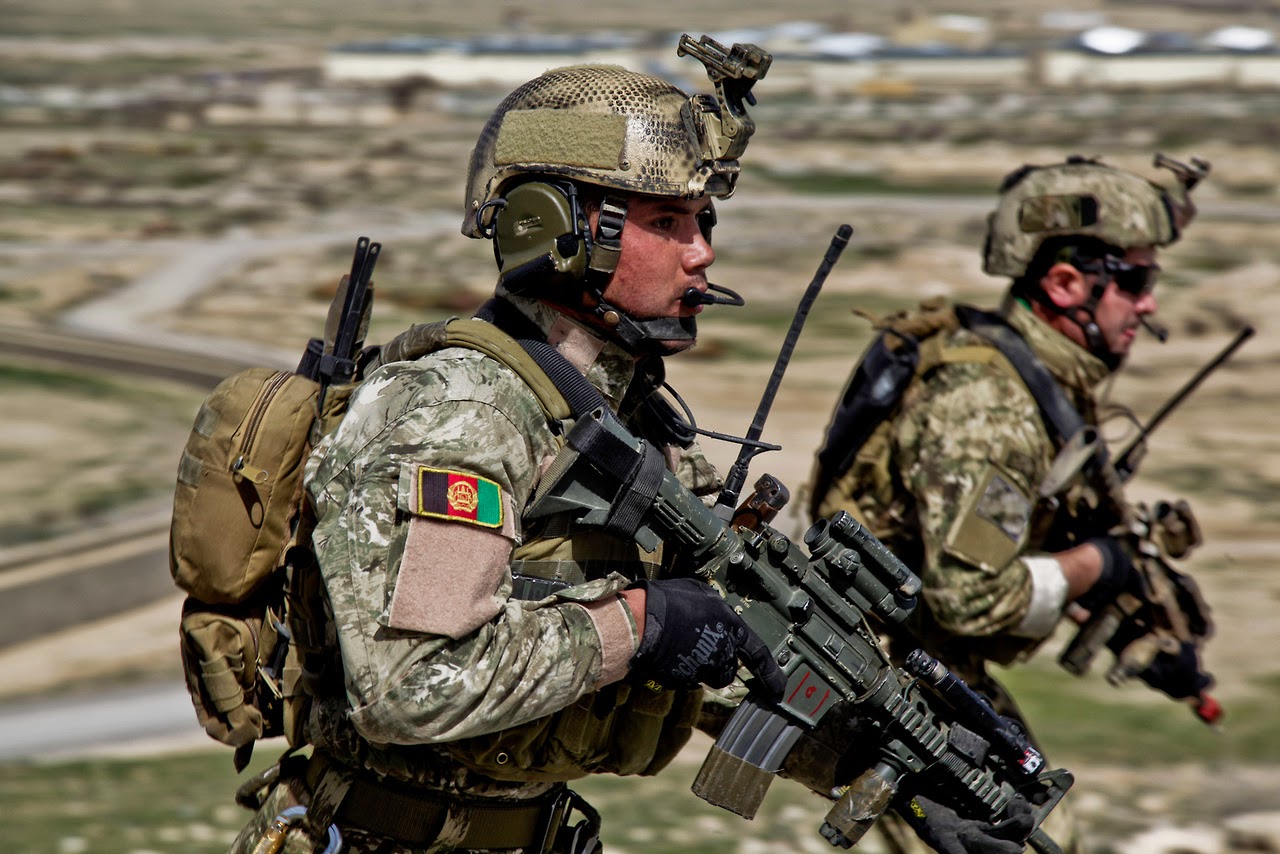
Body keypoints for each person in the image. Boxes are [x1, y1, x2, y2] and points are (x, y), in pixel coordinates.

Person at [808, 154, 1213, 854]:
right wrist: (1097, 565)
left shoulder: (1038, 374)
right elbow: (970, 599)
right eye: (1137, 281)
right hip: (869, 664)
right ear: (1063, 284)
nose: (1149, 304)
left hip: (917, 656)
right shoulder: (991, 407)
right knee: (1032, 837)